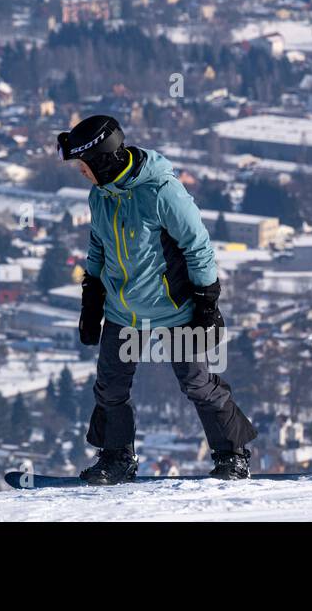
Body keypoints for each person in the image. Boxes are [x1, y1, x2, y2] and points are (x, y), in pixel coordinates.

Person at [57, 114, 257, 483]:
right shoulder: (99, 195)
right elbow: (98, 247)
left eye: (84, 165)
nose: (81, 172)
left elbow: (198, 246)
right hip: (123, 311)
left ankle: (232, 455)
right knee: (110, 387)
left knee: (197, 384)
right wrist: (91, 301)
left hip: (175, 310)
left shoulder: (162, 191)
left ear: (103, 159)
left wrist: (207, 304)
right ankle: (116, 458)